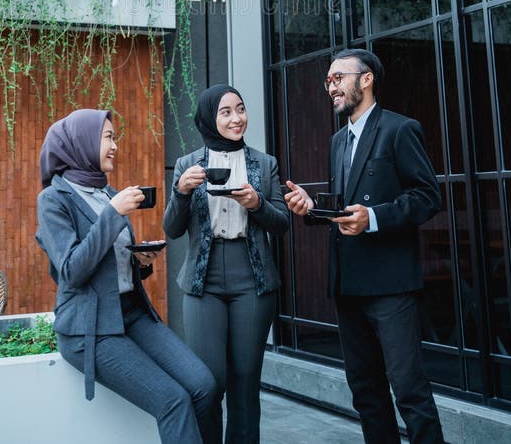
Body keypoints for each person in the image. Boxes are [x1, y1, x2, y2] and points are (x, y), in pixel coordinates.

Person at [284, 49, 445, 444]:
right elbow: (344, 209)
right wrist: (310, 208)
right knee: (366, 393)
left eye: (338, 78)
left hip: (391, 286)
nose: (331, 87)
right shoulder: (338, 141)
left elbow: (428, 197)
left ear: (367, 78)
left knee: (409, 392)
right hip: (348, 285)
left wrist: (373, 218)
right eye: (328, 81)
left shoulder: (399, 129)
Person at [36, 108, 219, 444]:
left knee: (204, 386)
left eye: (114, 137)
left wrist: (141, 260)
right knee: (173, 400)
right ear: (82, 142)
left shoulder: (107, 192)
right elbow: (73, 271)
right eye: (107, 137)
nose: (114, 145)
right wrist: (112, 213)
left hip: (131, 313)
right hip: (89, 328)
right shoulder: (53, 200)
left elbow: (113, 263)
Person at [163, 84, 289, 444]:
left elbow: (280, 223)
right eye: (226, 112)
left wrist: (256, 203)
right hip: (203, 282)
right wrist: (181, 192)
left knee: (246, 380)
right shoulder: (189, 165)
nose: (237, 118)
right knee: (208, 380)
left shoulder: (264, 164)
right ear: (208, 118)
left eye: (240, 109)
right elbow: (172, 229)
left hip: (253, 279)